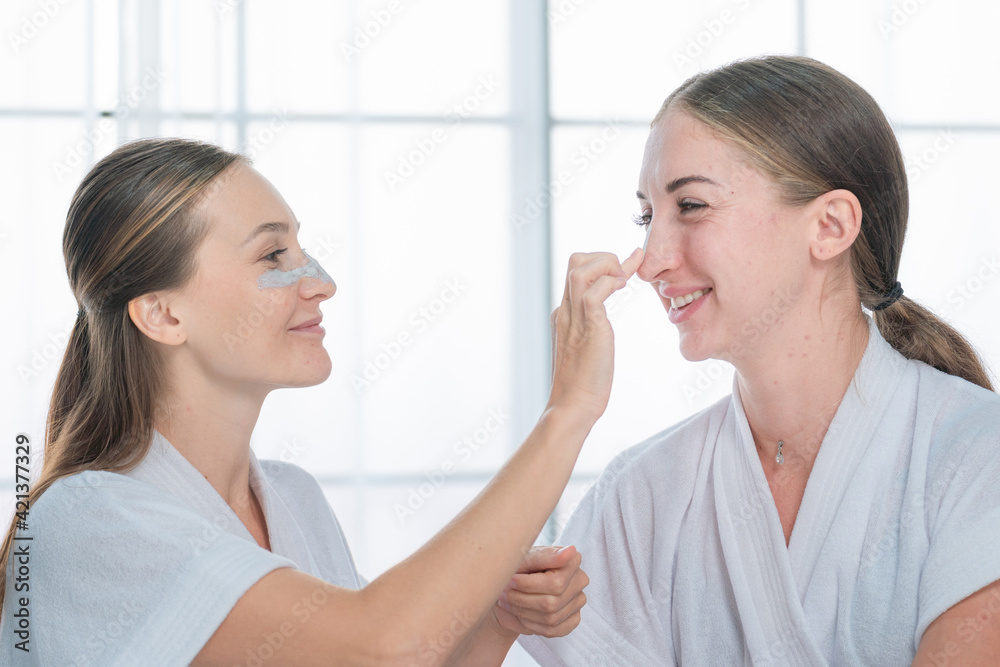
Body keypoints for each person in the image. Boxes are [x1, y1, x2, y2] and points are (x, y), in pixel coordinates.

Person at [0, 137, 644, 665]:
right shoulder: (91, 522)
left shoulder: (292, 500)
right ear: (163, 314)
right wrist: (567, 412)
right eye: (273, 254)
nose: (322, 283)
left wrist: (496, 620)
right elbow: (386, 645)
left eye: (303, 250)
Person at [519, 55, 1000, 666]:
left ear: (830, 225)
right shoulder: (640, 494)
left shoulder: (977, 459)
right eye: (647, 217)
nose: (650, 259)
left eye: (689, 206)